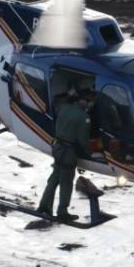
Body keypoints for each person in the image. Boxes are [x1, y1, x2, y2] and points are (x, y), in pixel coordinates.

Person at [37, 88, 95, 222]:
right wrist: (89, 156)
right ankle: (62, 211)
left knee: (54, 179)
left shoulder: (64, 108)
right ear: (85, 102)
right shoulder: (84, 118)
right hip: (68, 152)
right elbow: (83, 140)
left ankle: (44, 206)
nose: (91, 104)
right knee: (66, 182)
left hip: (57, 147)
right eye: (90, 102)